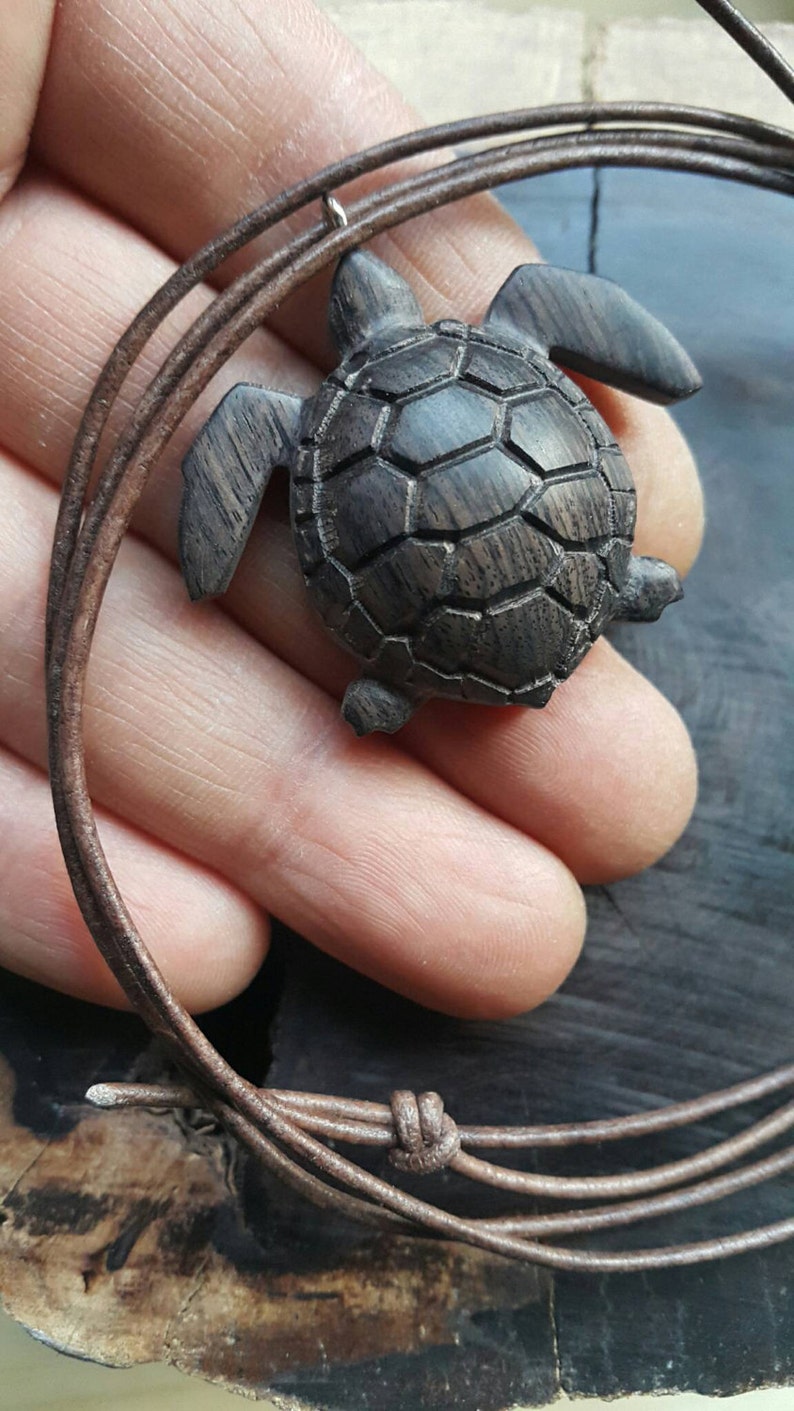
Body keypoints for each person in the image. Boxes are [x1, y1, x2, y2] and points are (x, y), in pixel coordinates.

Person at [0, 0, 702, 1020]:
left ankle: (399, 684)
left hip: (405, 630)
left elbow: (222, 509)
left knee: (378, 691)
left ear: (339, 332)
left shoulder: (283, 419)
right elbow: (573, 315)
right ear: (404, 312)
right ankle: (614, 585)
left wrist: (208, 561)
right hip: (565, 554)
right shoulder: (513, 324)